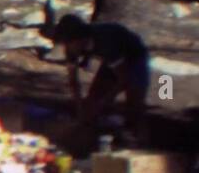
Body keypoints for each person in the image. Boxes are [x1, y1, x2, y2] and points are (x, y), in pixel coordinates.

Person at [50, 13, 151, 145]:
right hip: (111, 61)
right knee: (93, 99)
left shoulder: (105, 43)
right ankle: (89, 137)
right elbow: (73, 81)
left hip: (134, 55)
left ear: (80, 39)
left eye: (69, 43)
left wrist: (105, 101)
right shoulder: (71, 49)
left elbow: (123, 79)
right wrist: (80, 107)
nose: (67, 48)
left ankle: (140, 139)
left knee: (134, 101)